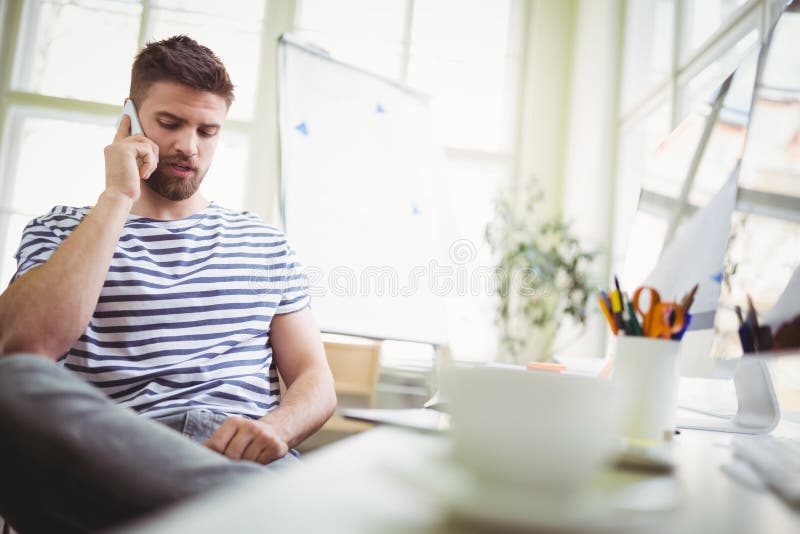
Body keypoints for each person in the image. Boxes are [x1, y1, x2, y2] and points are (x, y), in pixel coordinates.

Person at [0, 35, 336, 532]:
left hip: (236, 453)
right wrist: (117, 195)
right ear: (130, 118)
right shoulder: (61, 229)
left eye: (208, 130)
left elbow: (316, 381)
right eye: (170, 123)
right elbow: (24, 346)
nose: (188, 146)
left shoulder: (266, 243)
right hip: (118, 454)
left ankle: (239, 505)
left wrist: (274, 430)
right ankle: (257, 511)